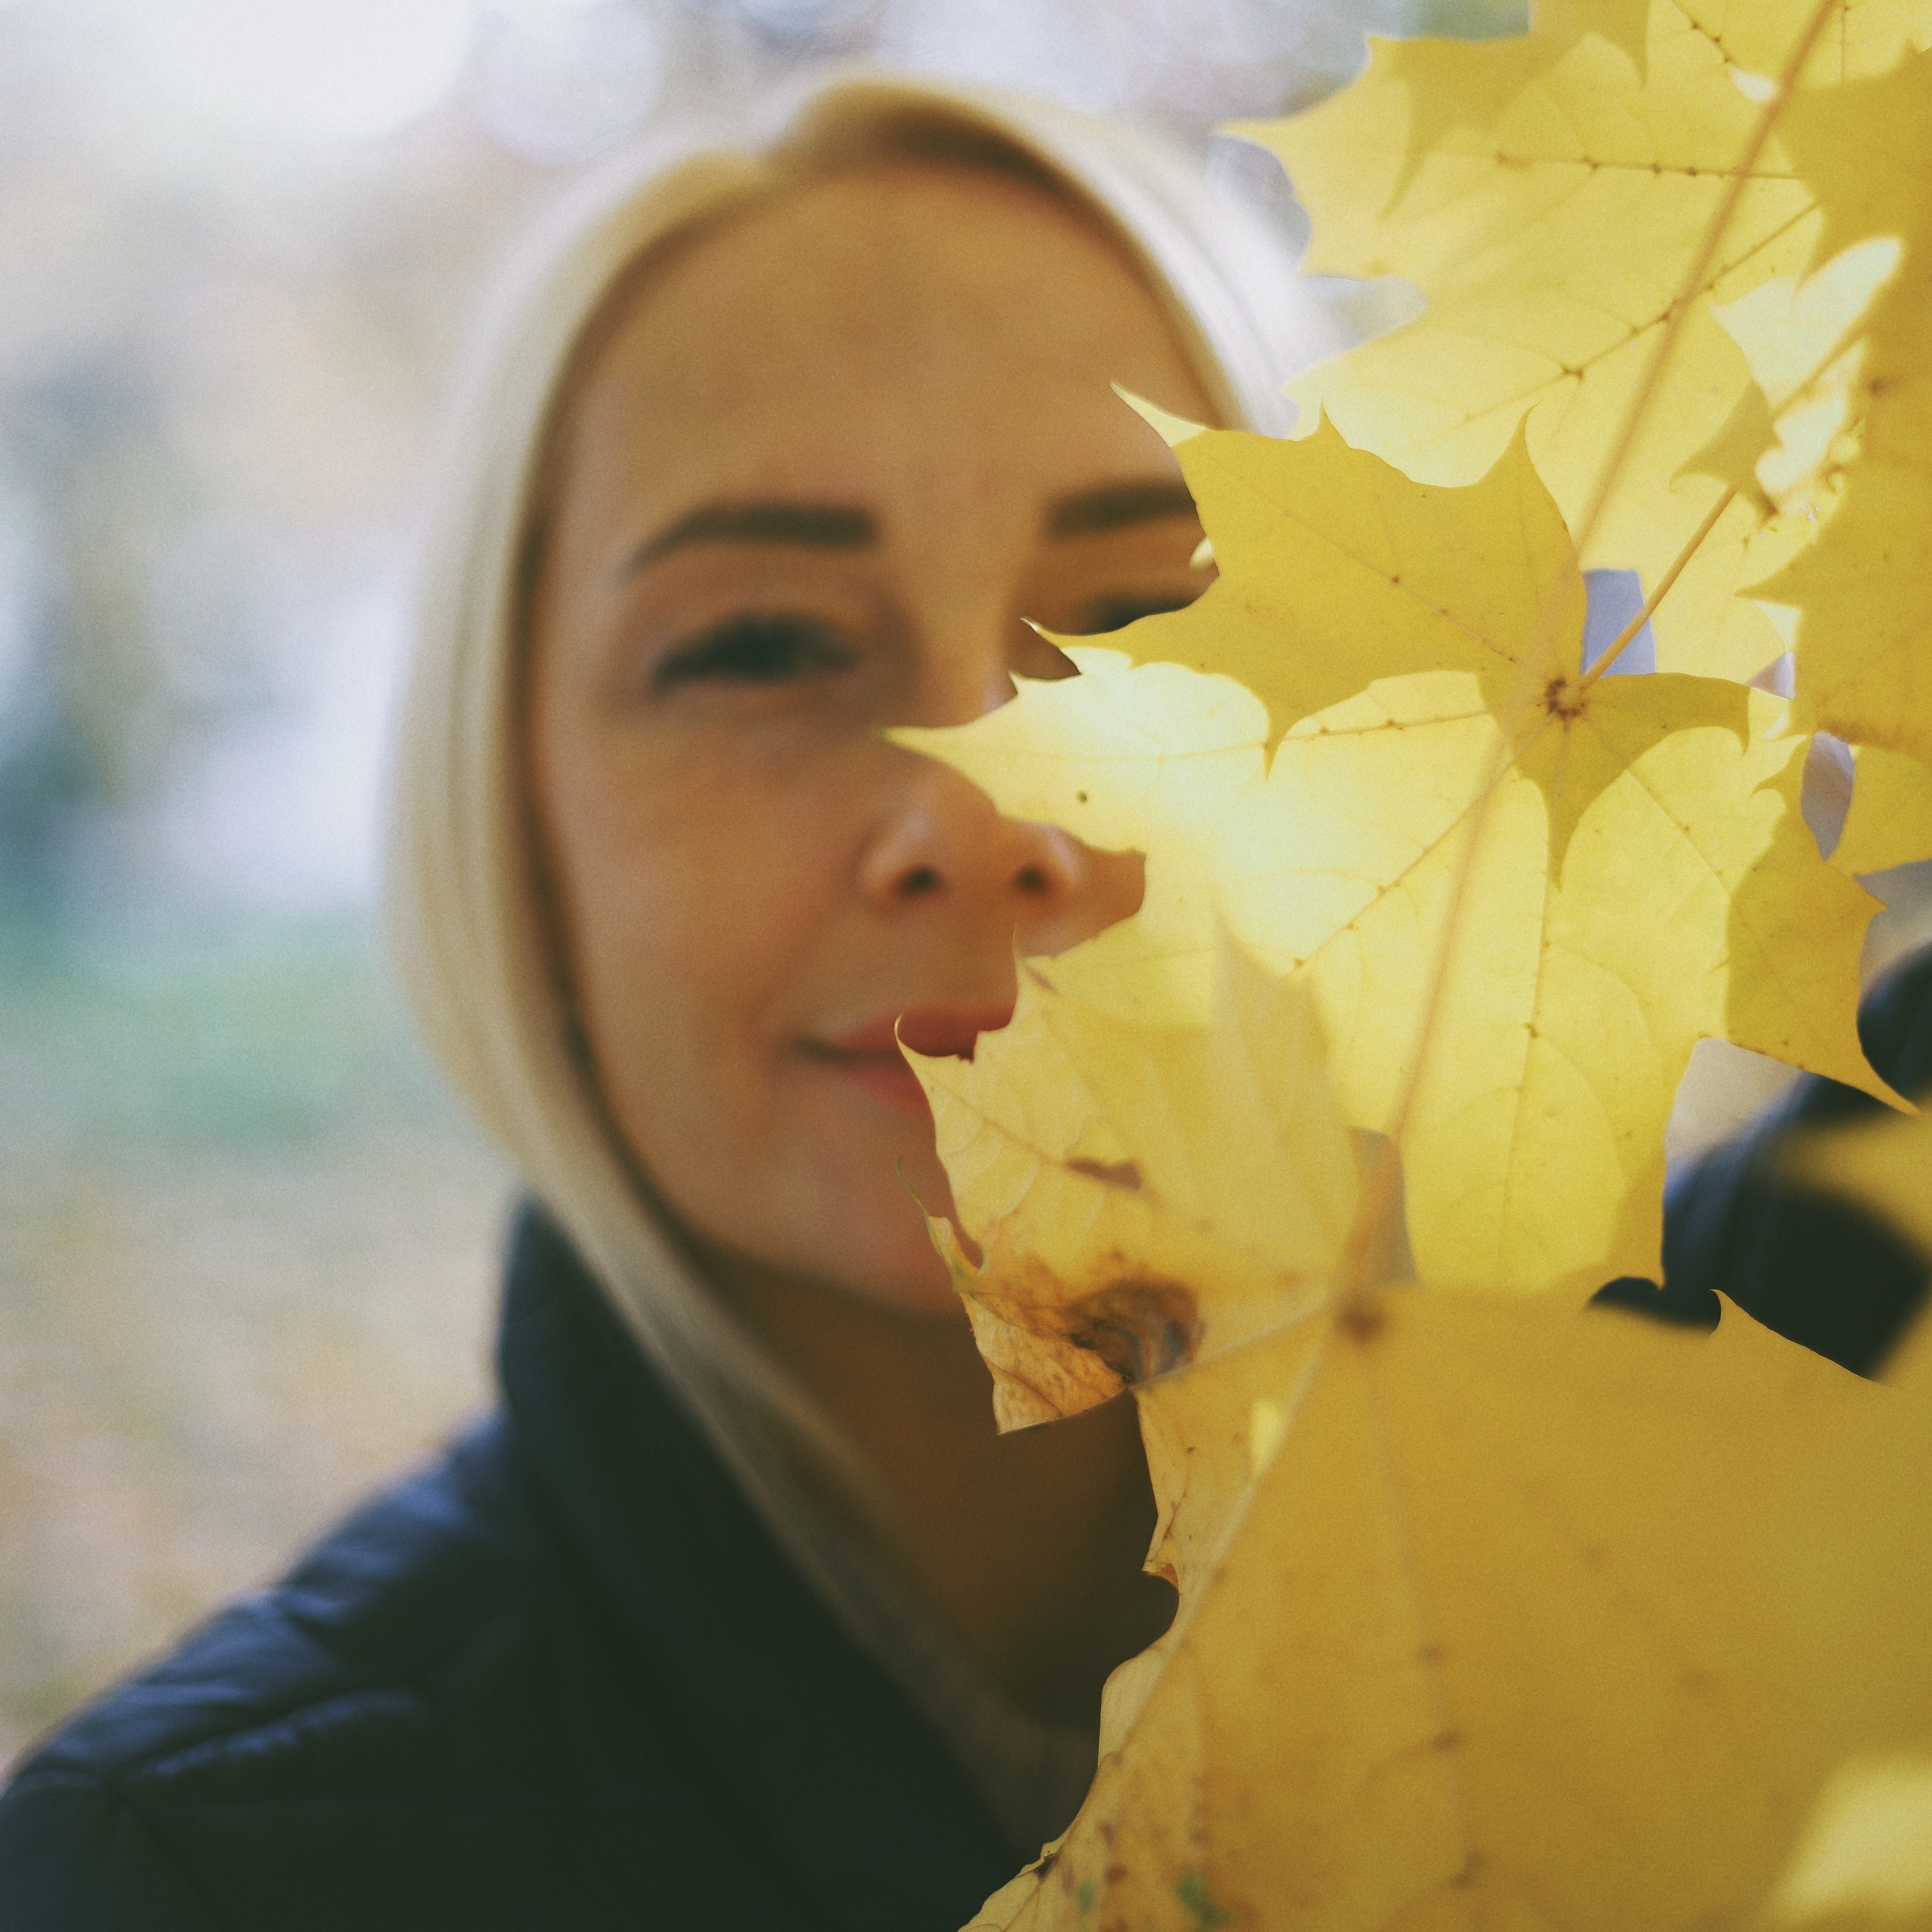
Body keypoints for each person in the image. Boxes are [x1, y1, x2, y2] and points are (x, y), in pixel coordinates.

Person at [0, 76, 1324, 1930]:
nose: (976, 810)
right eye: (763, 645)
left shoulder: (1834, 1504)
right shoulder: (195, 1881)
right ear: (515, 810)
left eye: (1138, 629)